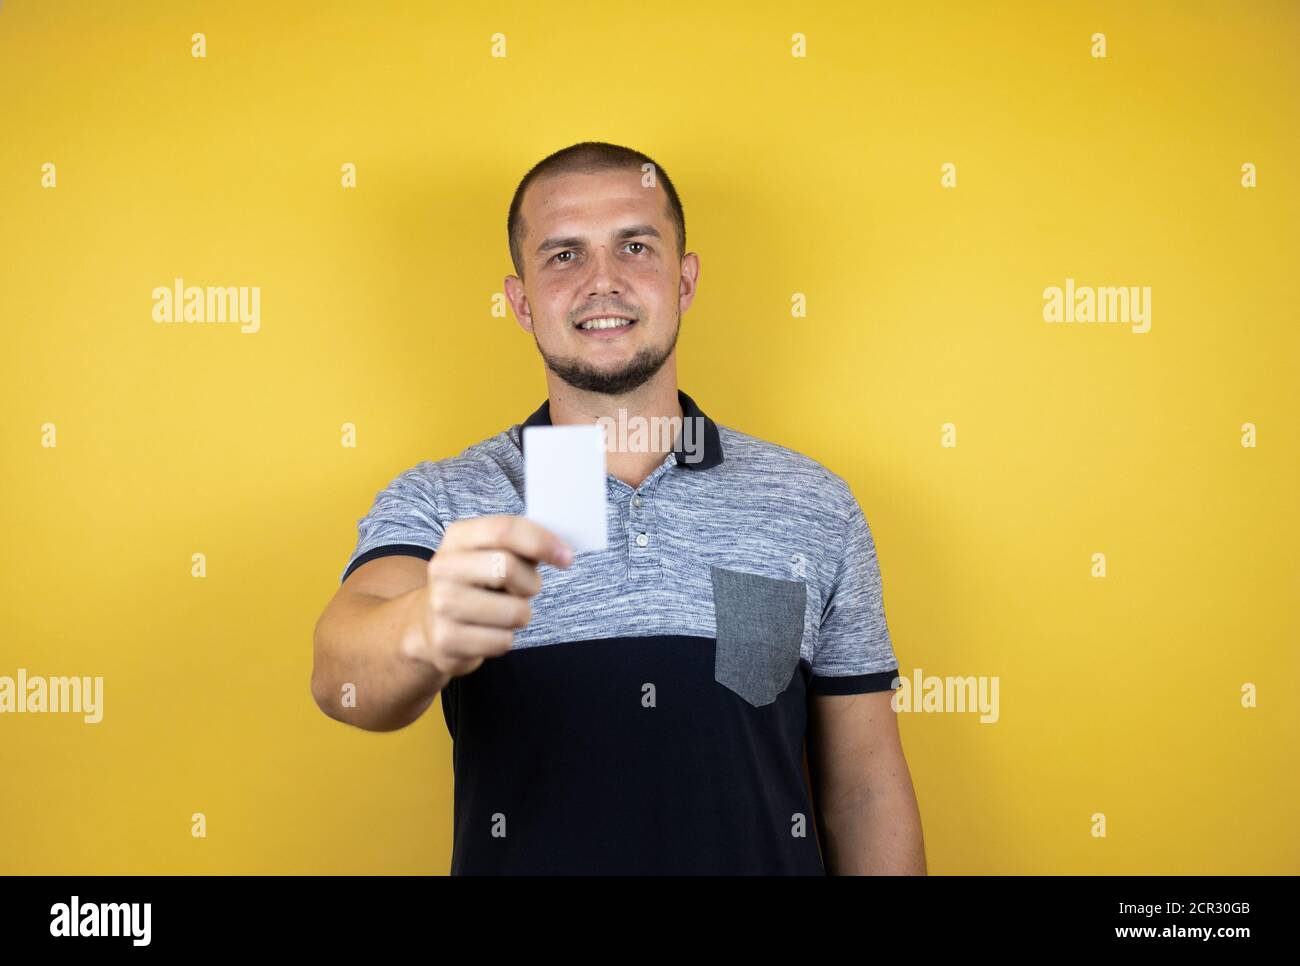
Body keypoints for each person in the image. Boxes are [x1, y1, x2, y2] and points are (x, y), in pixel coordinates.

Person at [312, 141, 926, 875]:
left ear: (685, 279)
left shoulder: (811, 503)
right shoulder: (448, 499)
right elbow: (342, 677)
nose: (603, 282)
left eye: (635, 246)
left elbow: (863, 791)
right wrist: (424, 623)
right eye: (564, 256)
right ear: (520, 300)